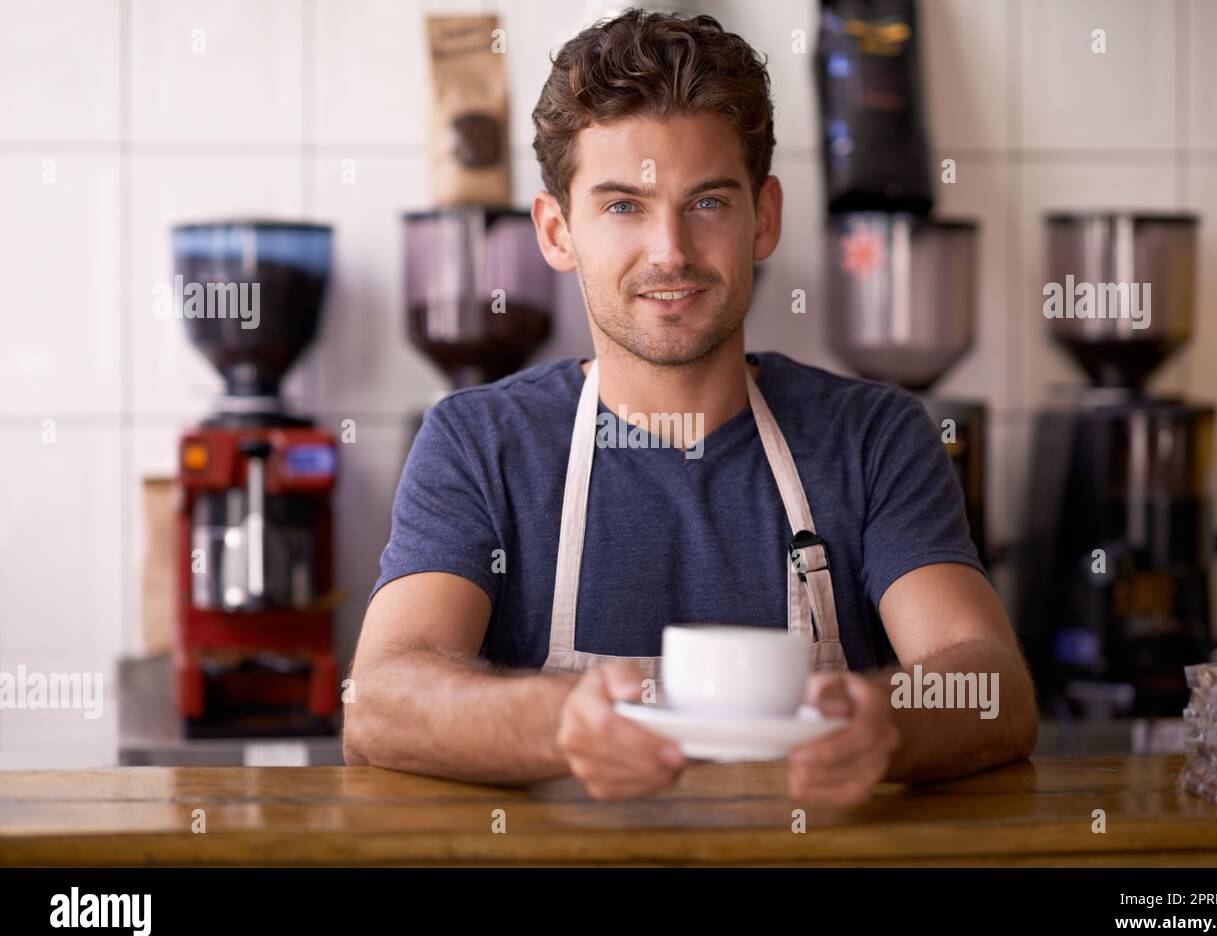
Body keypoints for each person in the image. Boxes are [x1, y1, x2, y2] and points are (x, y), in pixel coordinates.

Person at [344, 9, 1037, 806]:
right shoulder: (479, 442)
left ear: (764, 216)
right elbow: (380, 700)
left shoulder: (875, 437)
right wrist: (560, 721)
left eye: (706, 202)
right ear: (556, 231)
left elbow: (993, 688)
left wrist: (886, 721)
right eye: (622, 206)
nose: (670, 249)